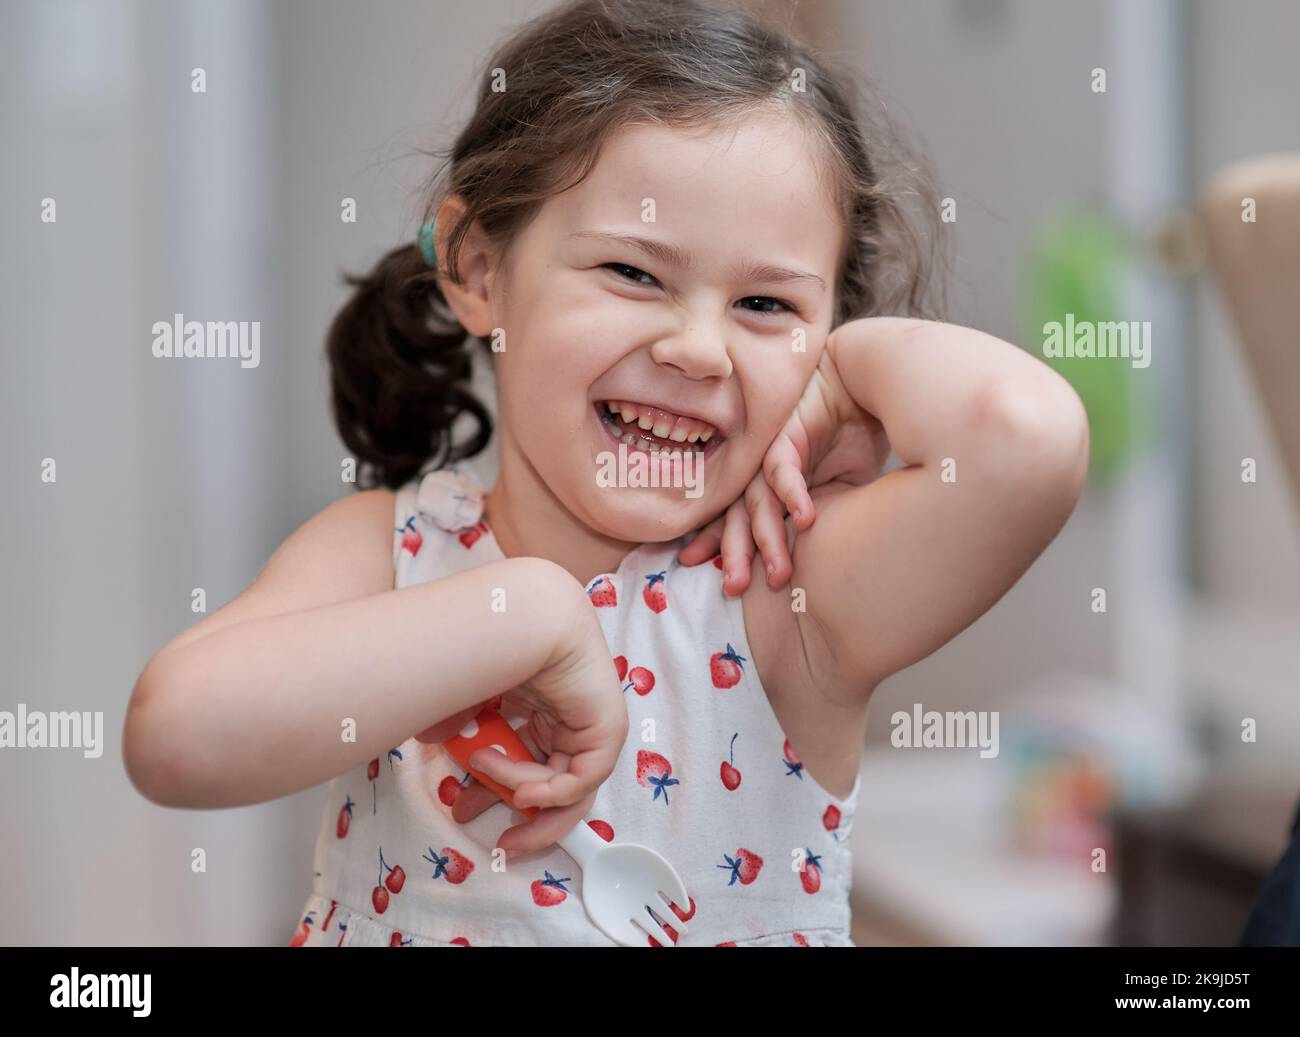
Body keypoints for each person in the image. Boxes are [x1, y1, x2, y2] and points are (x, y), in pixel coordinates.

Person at [123, 0, 1088, 947]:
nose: (699, 349)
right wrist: (531, 615)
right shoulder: (389, 552)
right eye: (633, 273)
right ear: (478, 270)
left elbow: (1023, 435)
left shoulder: (787, 596)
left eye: (764, 302)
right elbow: (174, 743)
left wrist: (840, 375)